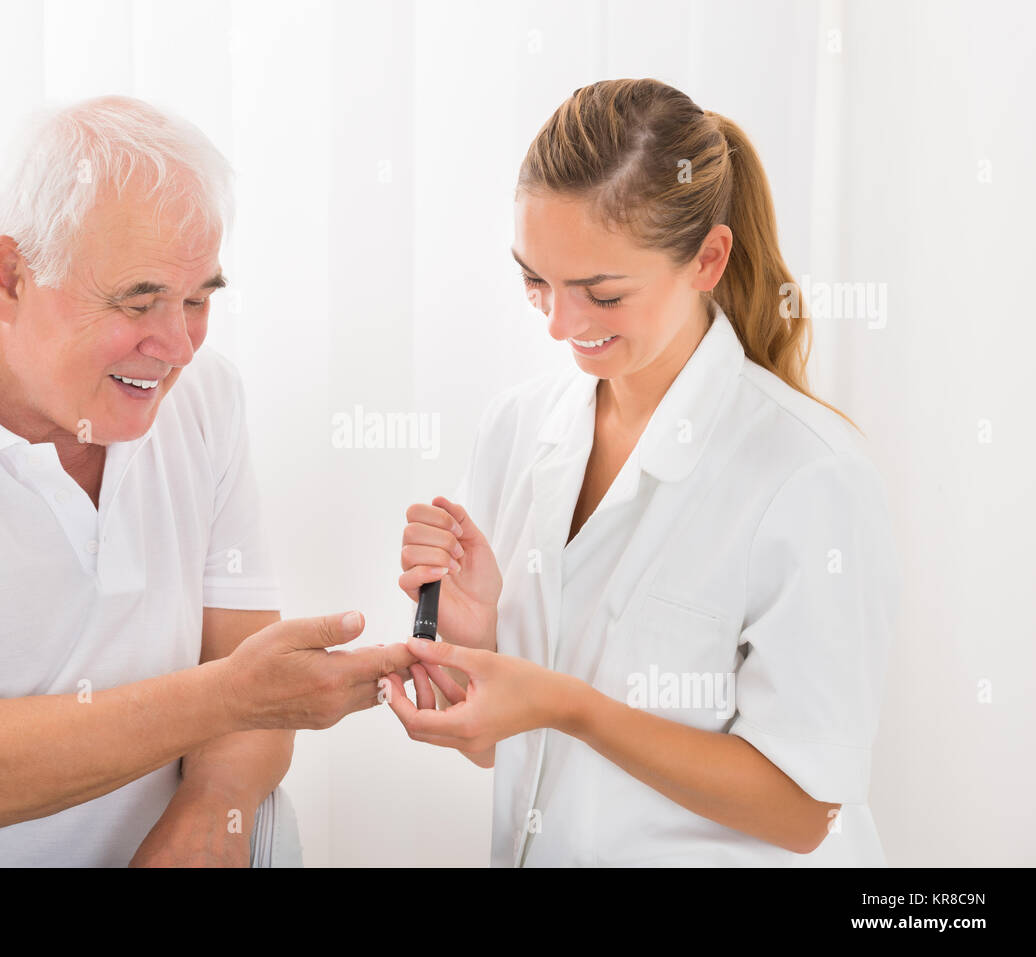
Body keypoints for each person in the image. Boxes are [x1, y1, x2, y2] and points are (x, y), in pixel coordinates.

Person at [0, 95, 414, 867]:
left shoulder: (201, 400)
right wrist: (232, 694)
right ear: (9, 275)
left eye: (198, 300)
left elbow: (248, 678)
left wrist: (212, 805)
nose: (178, 344)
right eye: (140, 300)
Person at [385, 78, 901, 867]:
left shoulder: (811, 474)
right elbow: (508, 755)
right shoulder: (518, 428)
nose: (560, 324)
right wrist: (472, 639)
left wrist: (567, 704)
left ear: (708, 258)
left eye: (601, 292)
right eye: (536, 281)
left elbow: (806, 812)